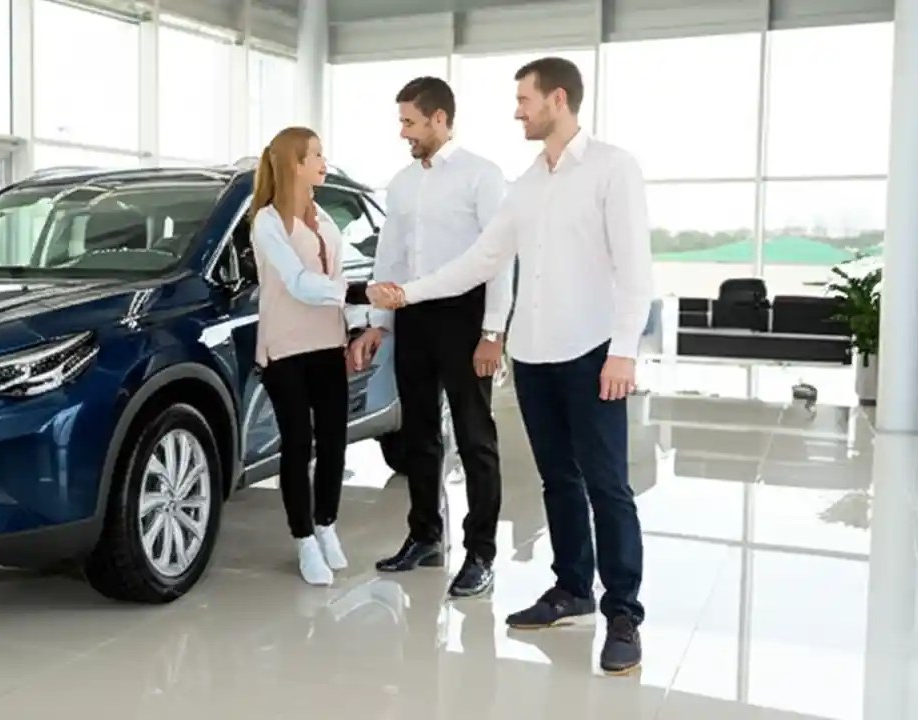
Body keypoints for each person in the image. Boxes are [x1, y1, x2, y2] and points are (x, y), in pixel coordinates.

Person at [367, 57, 653, 675]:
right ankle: (572, 591)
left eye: (524, 99)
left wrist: (624, 349)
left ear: (557, 99)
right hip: (535, 355)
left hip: (593, 352)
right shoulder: (527, 184)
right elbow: (480, 259)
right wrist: (406, 295)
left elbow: (636, 268)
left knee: (608, 485)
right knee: (558, 481)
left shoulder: (612, 168)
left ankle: (624, 612)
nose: (517, 110)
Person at [347, 77, 514, 599]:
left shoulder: (482, 177)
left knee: (474, 438)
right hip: (412, 315)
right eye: (401, 122)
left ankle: (481, 555)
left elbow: (500, 259)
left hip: (465, 319)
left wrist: (493, 332)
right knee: (418, 434)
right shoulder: (399, 183)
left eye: (410, 122)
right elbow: (388, 259)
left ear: (440, 119)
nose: (403, 133)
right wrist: (379, 322)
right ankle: (425, 537)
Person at [250, 126, 367, 586]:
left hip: (327, 344)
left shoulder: (325, 220)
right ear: (294, 163)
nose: (323, 161)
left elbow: (338, 279)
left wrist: (357, 325)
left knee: (334, 440)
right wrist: (359, 291)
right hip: (286, 348)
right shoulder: (267, 222)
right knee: (298, 444)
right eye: (316, 154)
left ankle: (326, 526)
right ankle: (303, 541)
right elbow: (299, 283)